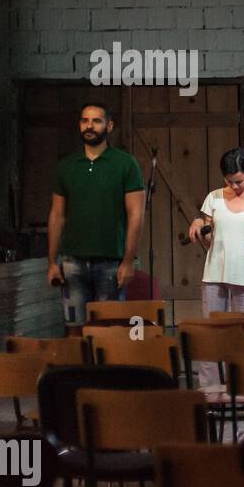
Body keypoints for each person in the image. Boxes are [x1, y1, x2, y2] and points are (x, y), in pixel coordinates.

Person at [46, 101, 146, 327]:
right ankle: (79, 364)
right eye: (85, 121)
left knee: (108, 331)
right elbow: (57, 216)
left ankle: (105, 365)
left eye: (96, 121)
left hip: (111, 263)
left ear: (109, 126)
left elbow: (136, 215)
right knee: (74, 329)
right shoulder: (66, 166)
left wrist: (128, 261)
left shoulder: (125, 164)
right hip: (72, 262)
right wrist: (52, 262)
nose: (89, 126)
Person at [188, 148, 244, 386]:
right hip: (216, 275)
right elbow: (208, 241)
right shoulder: (214, 197)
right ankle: (211, 393)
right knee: (212, 338)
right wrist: (199, 225)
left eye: (239, 181)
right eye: (230, 182)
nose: (235, 187)